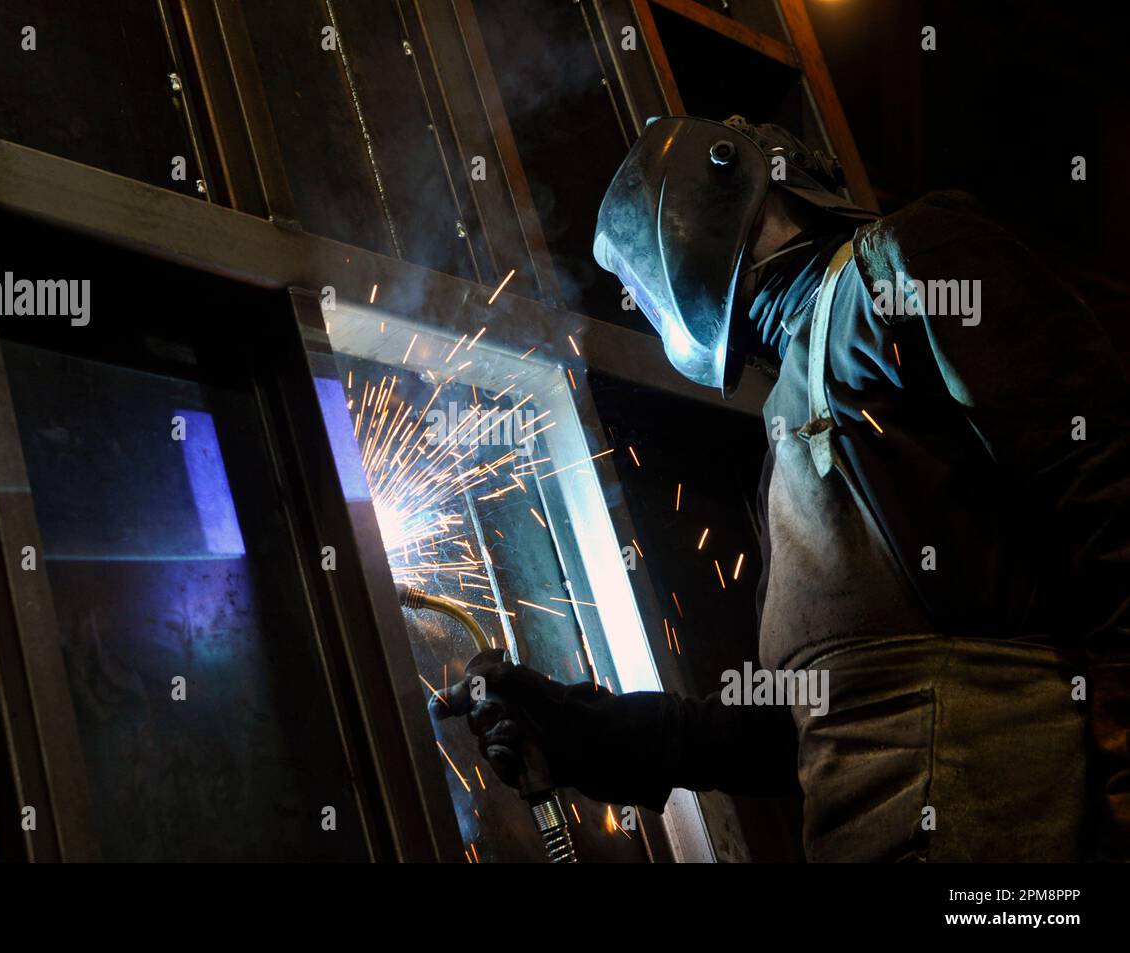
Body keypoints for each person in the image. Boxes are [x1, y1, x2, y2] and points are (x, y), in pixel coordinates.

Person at [432, 115, 1130, 862]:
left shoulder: (905, 264)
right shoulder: (790, 430)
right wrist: (581, 729)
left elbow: (1105, 479)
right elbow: (797, 727)